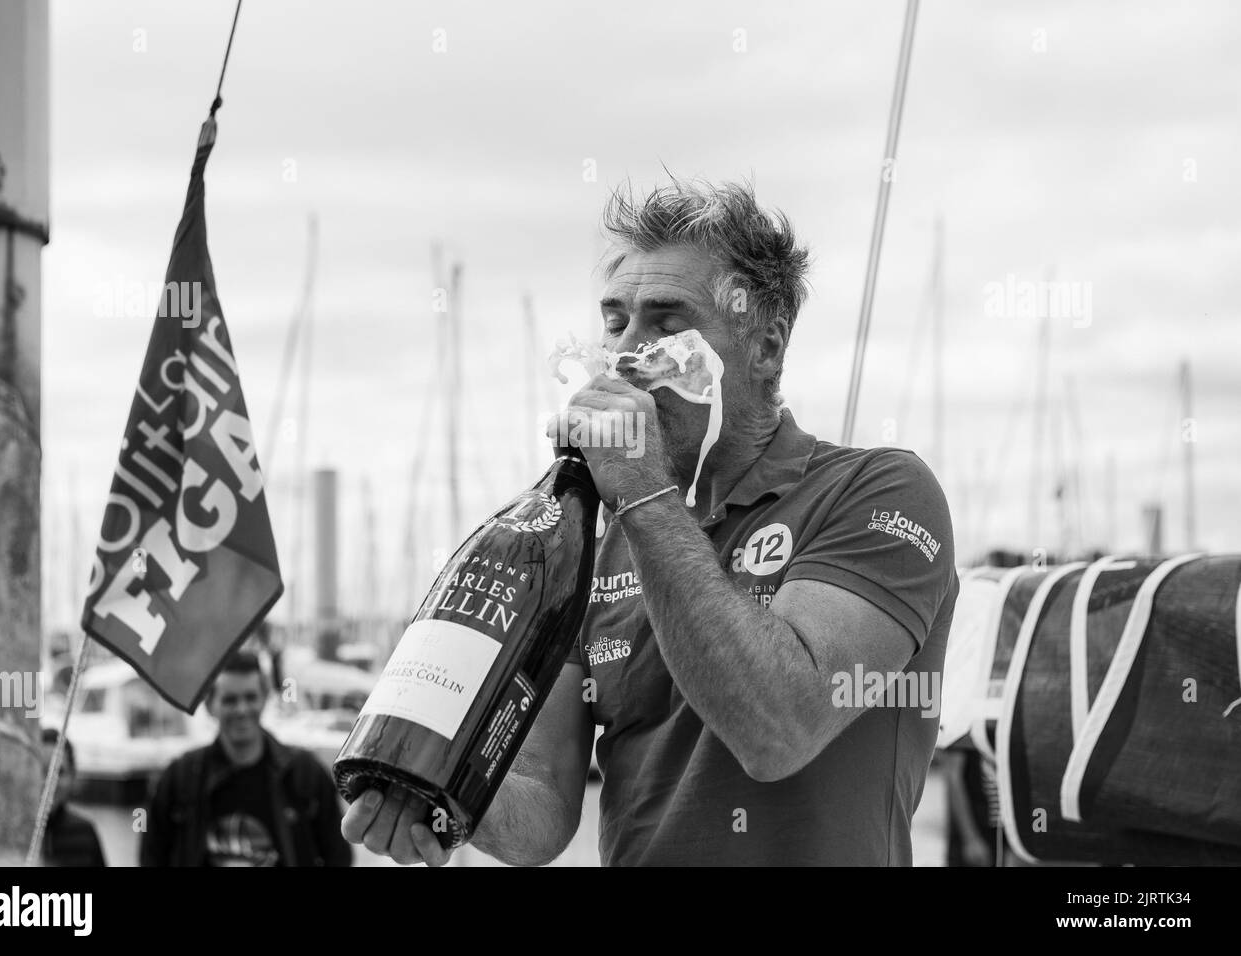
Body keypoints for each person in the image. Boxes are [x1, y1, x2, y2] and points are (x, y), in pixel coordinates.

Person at [342, 177, 959, 866]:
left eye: (666, 323)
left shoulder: (879, 491)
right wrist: (438, 784)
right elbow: (544, 805)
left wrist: (642, 494)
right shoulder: (590, 545)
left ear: (765, 348)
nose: (624, 355)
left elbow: (780, 728)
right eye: (615, 323)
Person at [140, 650, 351, 867]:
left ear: (264, 698)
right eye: (229, 700)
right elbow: (151, 855)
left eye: (250, 697)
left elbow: (339, 855)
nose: (242, 709)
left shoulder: (306, 774)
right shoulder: (179, 778)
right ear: (210, 706)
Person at [39, 729, 107, 867]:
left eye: (59, 772)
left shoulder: (85, 833)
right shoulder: (9, 834)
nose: (49, 782)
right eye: (41, 771)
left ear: (72, 775)